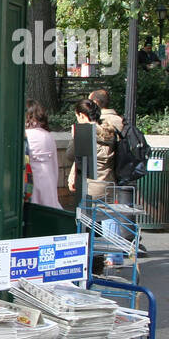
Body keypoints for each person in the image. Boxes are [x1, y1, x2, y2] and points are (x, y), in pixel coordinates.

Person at [66, 96, 123, 269]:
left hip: (90, 184)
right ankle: (116, 256)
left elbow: (71, 155)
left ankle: (86, 258)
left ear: (82, 115)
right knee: (109, 219)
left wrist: (75, 136)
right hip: (108, 182)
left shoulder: (84, 132)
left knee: (85, 222)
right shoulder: (109, 130)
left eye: (77, 115)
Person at [23, 100, 60, 207]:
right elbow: (54, 166)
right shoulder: (48, 136)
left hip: (31, 188)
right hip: (49, 189)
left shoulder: (26, 136)